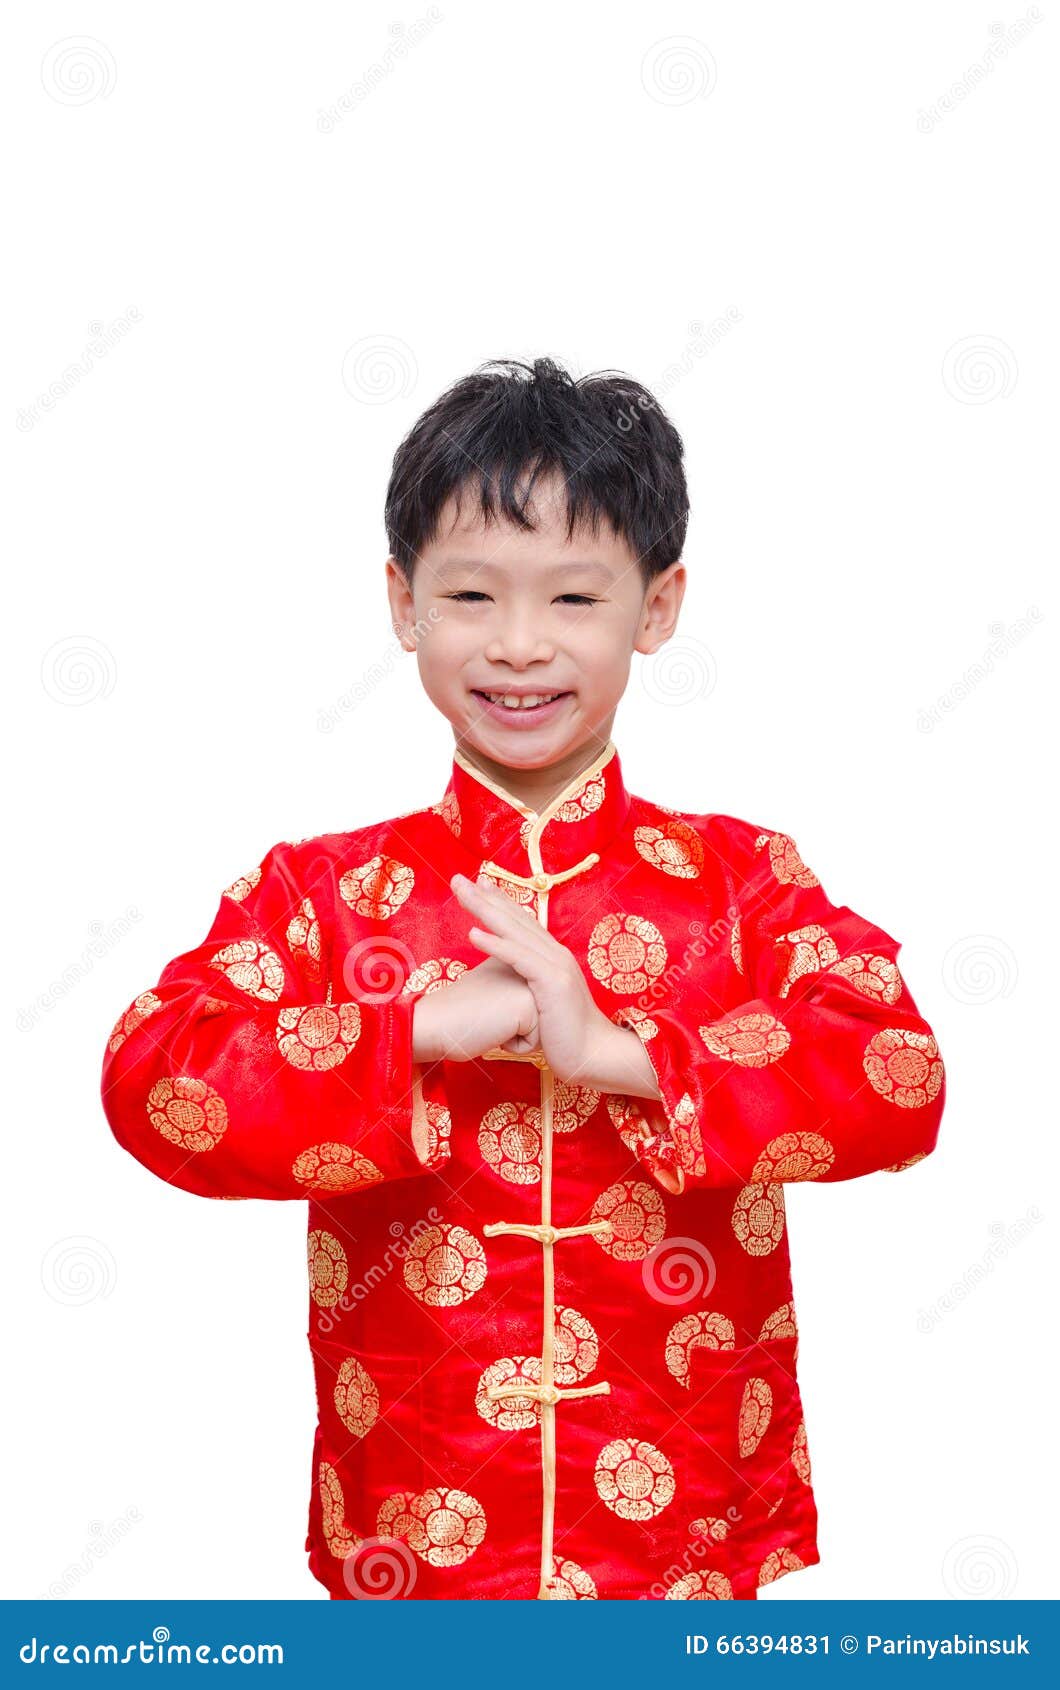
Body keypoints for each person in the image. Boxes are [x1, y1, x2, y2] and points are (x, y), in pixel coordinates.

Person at [100, 356, 946, 1601]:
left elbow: (899, 1075)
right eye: (469, 594)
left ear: (657, 606)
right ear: (403, 603)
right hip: (415, 1527)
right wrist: (418, 1028)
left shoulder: (740, 881)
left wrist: (614, 1052)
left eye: (573, 596)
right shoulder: (326, 891)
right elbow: (155, 1079)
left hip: (682, 1530)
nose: (517, 645)